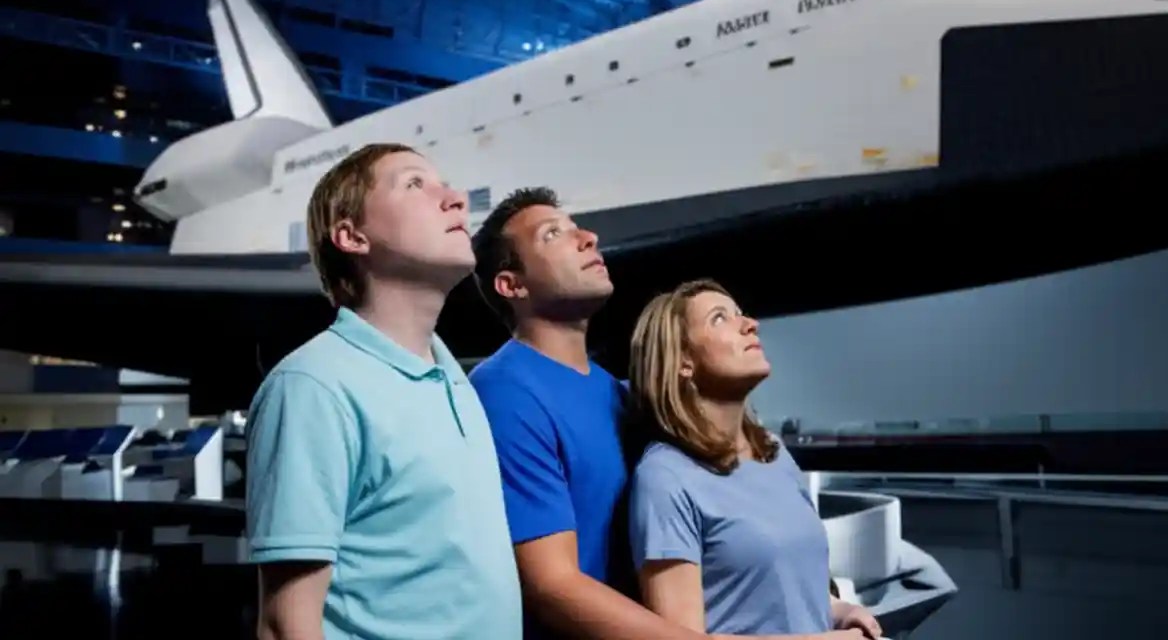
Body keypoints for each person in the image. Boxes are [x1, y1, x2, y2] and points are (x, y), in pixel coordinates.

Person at [468, 187, 870, 640]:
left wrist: (829, 606)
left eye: (578, 226)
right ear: (511, 284)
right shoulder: (506, 390)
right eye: (553, 234)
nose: (587, 238)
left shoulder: (618, 394)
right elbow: (552, 584)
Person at [244, 143, 522, 640]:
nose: (456, 198)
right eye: (415, 183)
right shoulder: (312, 387)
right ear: (352, 237)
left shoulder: (452, 378)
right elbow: (286, 623)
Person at [627, 278, 882, 638]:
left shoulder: (774, 453)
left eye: (741, 314)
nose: (750, 324)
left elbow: (787, 592)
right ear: (683, 361)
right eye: (720, 318)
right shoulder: (665, 477)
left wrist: (842, 611)